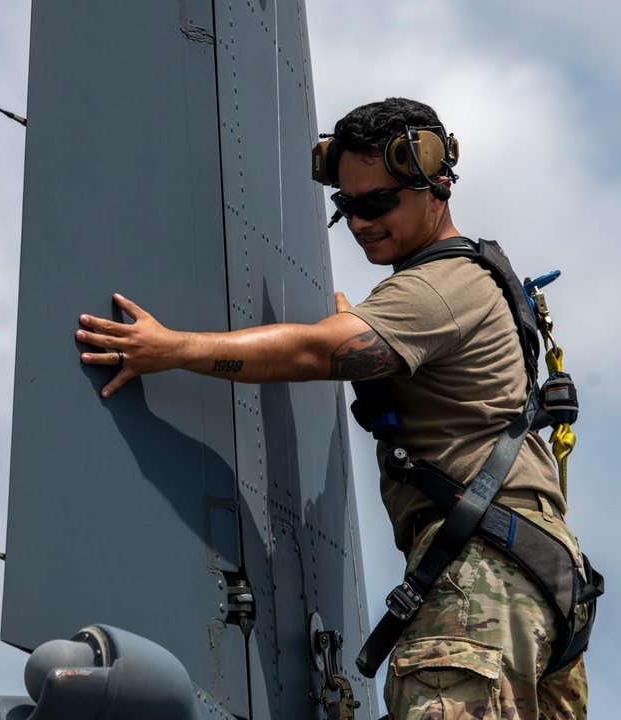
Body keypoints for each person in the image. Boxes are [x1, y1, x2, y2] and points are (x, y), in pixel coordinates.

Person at [75, 98, 590, 719]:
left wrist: (173, 349)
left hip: (484, 577)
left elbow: (317, 352)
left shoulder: (439, 288)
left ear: (438, 187)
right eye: (346, 207)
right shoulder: (465, 284)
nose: (360, 223)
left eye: (376, 203)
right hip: (538, 583)